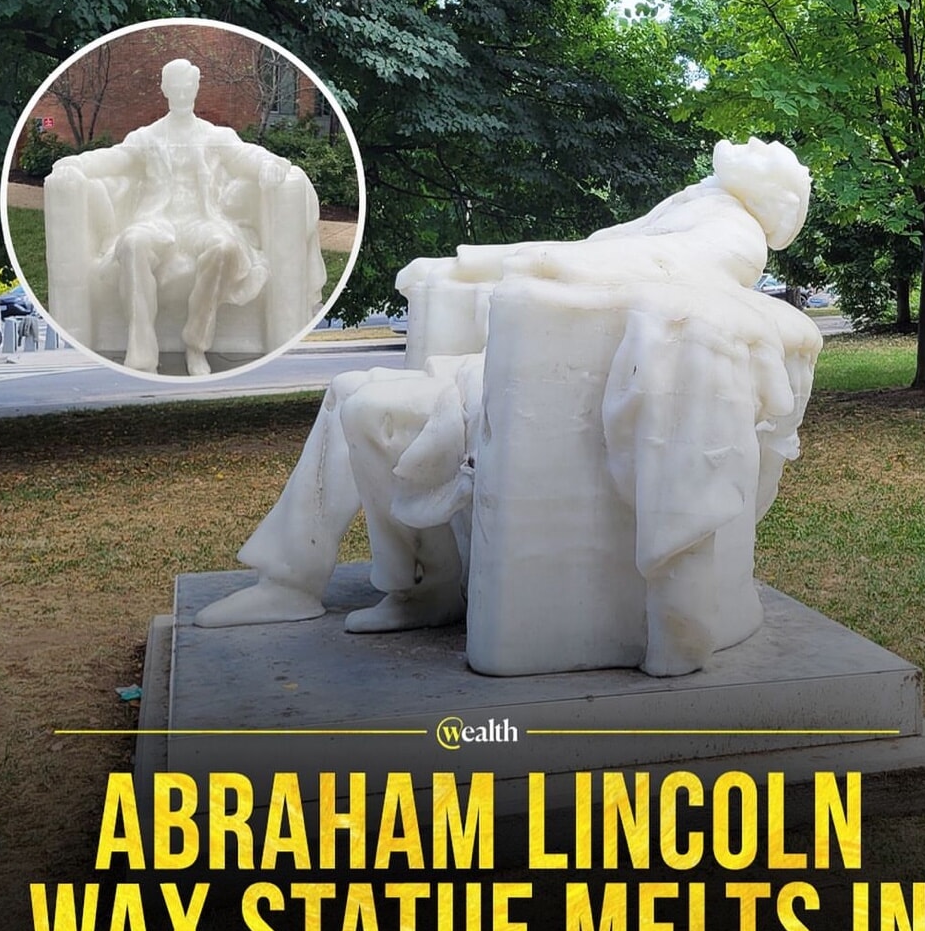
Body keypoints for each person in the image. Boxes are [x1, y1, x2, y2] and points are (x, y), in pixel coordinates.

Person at [196, 138, 821, 679]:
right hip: (492, 369)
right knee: (354, 397)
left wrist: (535, 265)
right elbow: (592, 244)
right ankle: (383, 585)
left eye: (771, 163)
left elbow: (659, 265)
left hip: (532, 378)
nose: (753, 155)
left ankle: (390, 585)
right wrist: (473, 263)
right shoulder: (695, 202)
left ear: (774, 201)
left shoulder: (735, 230)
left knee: (367, 404)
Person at [47, 58, 292, 376]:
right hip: (157, 220)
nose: (180, 92)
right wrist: (76, 164)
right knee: (132, 242)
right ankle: (142, 353)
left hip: (201, 221)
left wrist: (271, 164)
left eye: (186, 85)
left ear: (196, 86)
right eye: (173, 86)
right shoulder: (146, 137)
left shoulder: (215, 135)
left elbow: (247, 155)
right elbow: (113, 159)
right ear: (164, 89)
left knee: (224, 247)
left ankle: (196, 343)